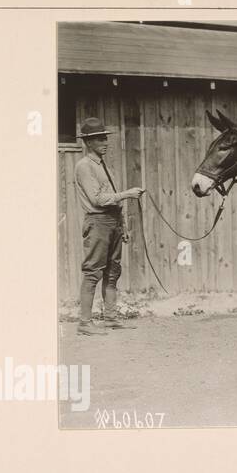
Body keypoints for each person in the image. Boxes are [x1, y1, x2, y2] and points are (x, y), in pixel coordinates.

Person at [72, 118, 144, 336]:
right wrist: (128, 194)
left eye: (105, 138)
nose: (105, 142)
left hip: (112, 222)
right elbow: (98, 200)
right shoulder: (84, 166)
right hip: (98, 222)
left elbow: (112, 201)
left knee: (113, 271)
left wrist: (122, 225)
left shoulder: (103, 166)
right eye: (99, 139)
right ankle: (85, 323)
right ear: (88, 142)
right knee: (93, 271)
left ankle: (110, 318)